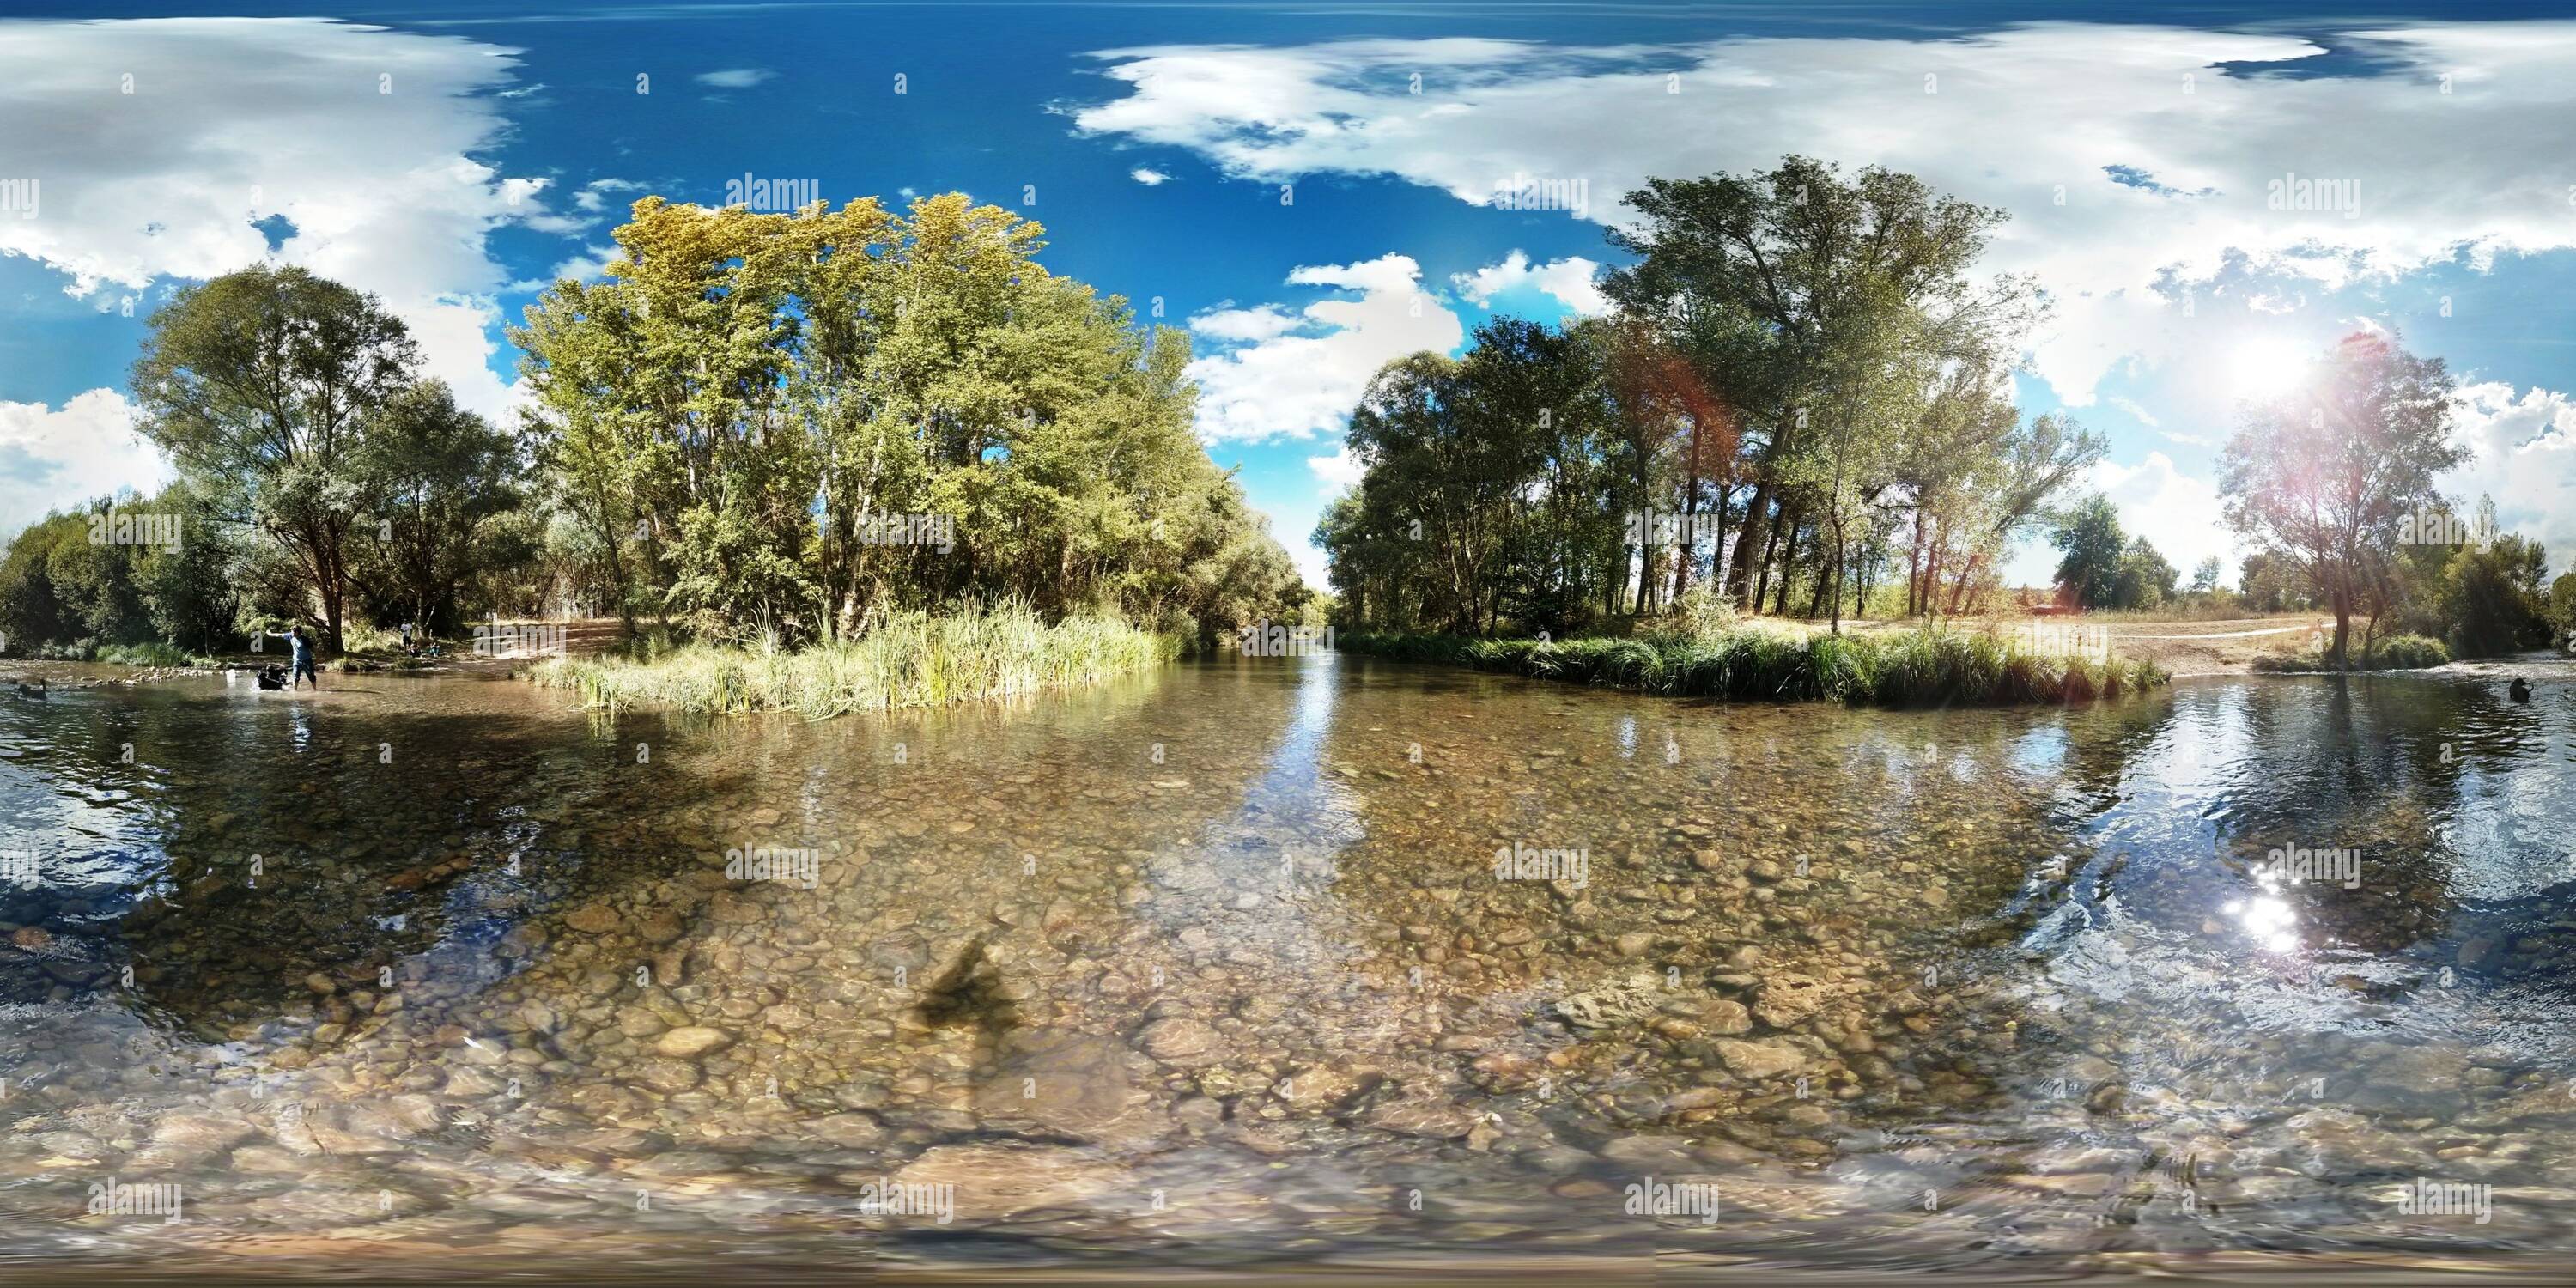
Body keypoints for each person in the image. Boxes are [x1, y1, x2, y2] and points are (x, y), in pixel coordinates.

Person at [264, 624, 320, 690]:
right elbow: (280, 635)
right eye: (291, 632)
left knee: (311, 676)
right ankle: (295, 691)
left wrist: (318, 658)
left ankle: (315, 689)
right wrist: (270, 634)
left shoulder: (305, 640)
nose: (291, 633)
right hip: (296, 661)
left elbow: (314, 648)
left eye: (293, 632)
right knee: (295, 677)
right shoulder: (290, 636)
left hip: (306, 660)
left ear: (297, 632)